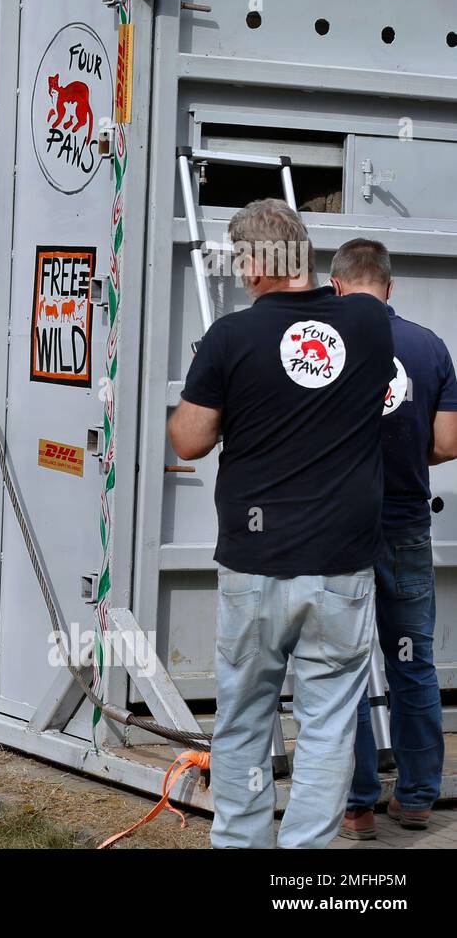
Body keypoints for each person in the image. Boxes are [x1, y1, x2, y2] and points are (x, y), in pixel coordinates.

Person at [168, 199, 394, 848]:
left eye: (242, 261)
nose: (240, 274)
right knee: (326, 728)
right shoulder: (370, 324)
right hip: (341, 570)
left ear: (261, 263)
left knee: (242, 720)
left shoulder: (230, 338)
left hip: (255, 566)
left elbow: (189, 440)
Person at [331, 240, 457, 837]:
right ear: (390, 285)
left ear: (336, 287)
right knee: (413, 664)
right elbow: (448, 444)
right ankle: (415, 799)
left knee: (345, 667)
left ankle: (356, 805)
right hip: (407, 525)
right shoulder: (430, 347)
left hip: (340, 531)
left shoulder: (319, 345)